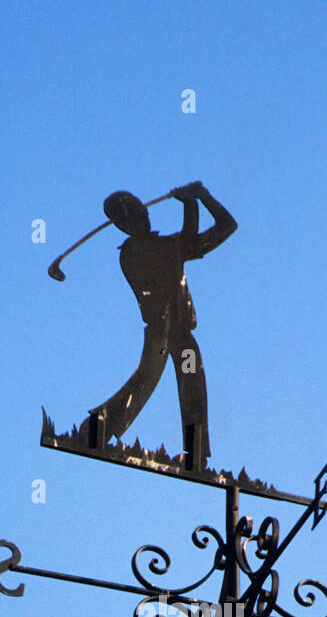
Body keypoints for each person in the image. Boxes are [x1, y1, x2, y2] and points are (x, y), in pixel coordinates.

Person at [76, 181, 237, 466]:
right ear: (124, 225)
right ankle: (97, 429)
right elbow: (186, 241)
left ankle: (196, 453)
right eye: (135, 214)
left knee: (192, 387)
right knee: (143, 383)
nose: (144, 216)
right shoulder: (135, 254)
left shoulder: (167, 246)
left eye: (142, 210)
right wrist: (190, 203)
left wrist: (204, 198)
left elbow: (226, 226)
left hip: (181, 337)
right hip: (161, 337)